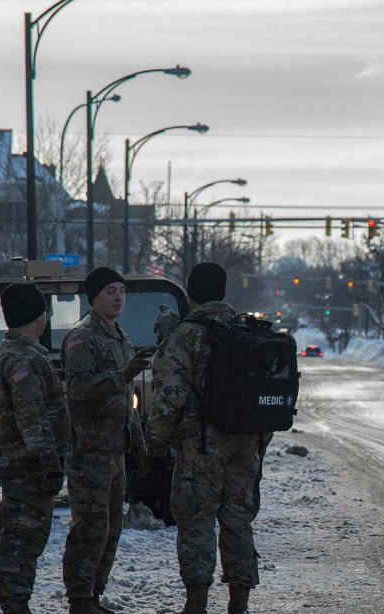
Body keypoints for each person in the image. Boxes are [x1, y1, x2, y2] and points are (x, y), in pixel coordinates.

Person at [147, 261, 272, 614]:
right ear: (223, 292)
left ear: (189, 294)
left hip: (200, 445)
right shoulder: (247, 333)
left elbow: (170, 397)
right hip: (246, 443)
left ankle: (197, 604)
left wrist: (153, 444)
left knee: (196, 519)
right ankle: (239, 604)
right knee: (237, 520)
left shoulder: (184, 335)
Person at [60, 267, 153, 614]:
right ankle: (80, 598)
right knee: (90, 527)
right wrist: (123, 373)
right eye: (111, 291)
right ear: (94, 297)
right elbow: (78, 389)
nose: (118, 298)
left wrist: (139, 441)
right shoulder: (83, 337)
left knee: (111, 528)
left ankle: (94, 596)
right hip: (90, 451)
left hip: (115, 450)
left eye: (122, 291)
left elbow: (127, 399)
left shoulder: (119, 336)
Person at [0, 283, 71, 614]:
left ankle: (16, 601)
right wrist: (48, 459)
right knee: (22, 537)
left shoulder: (12, 351)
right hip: (28, 463)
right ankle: (15, 603)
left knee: (23, 534)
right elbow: (32, 413)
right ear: (40, 316)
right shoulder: (24, 358)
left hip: (21, 460)